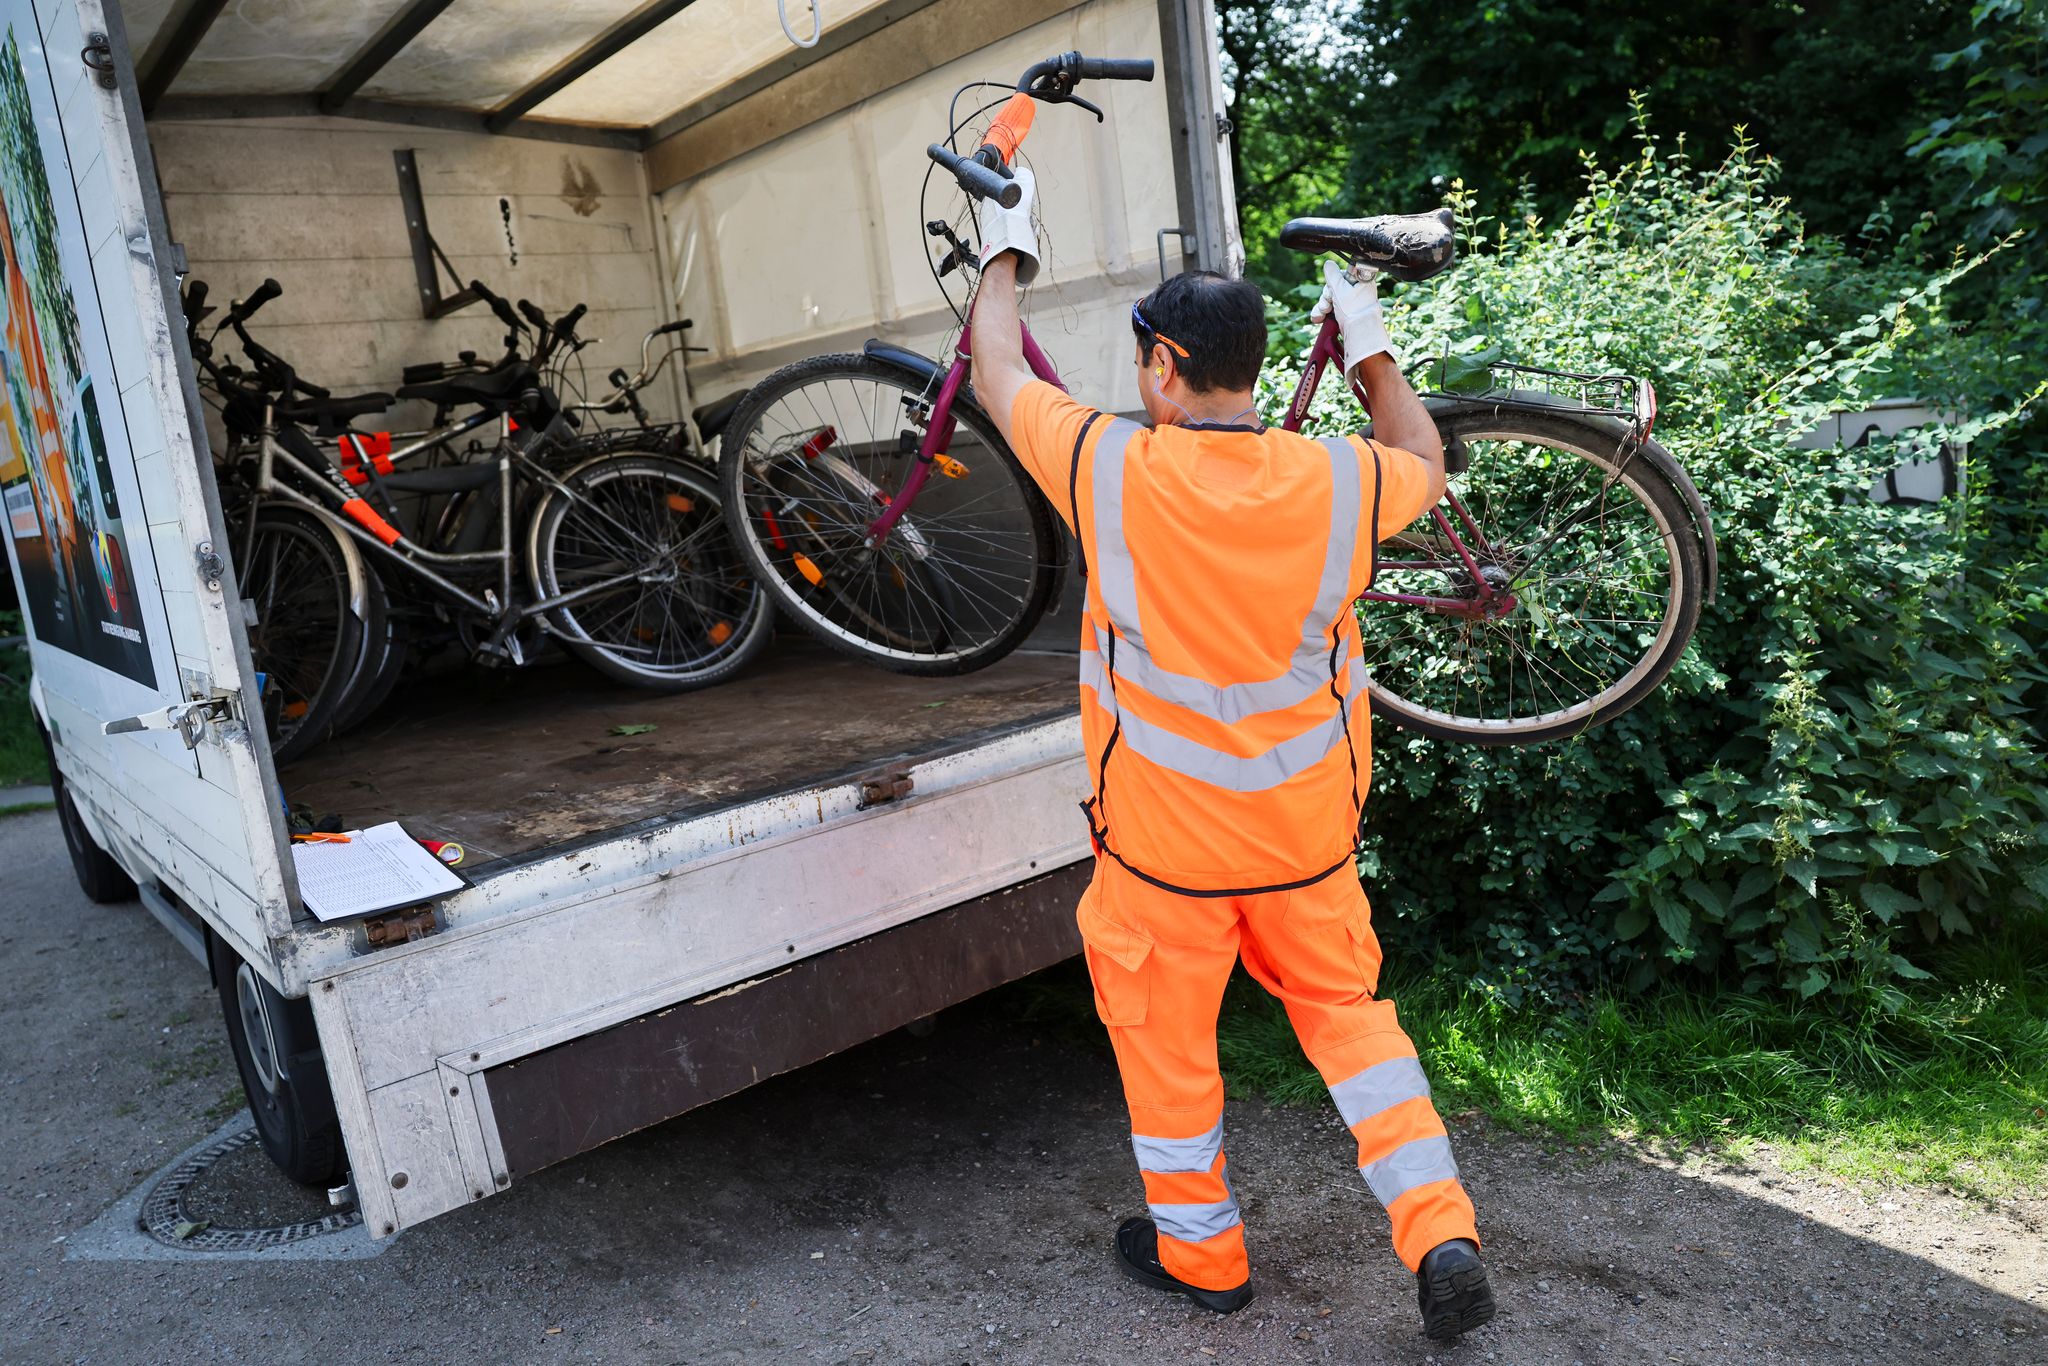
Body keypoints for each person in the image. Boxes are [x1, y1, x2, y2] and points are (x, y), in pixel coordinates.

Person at [969, 168, 1495, 1342]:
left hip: (1162, 860)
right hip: (1305, 846)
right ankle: (1438, 1227)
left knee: (1166, 1053)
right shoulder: (1339, 481)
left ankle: (1204, 1257)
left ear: (1159, 364)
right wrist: (1365, 345)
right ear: (1254, 367)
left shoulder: (1106, 467)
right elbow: (1423, 459)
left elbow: (995, 370)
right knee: (1354, 1026)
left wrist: (1005, 248)